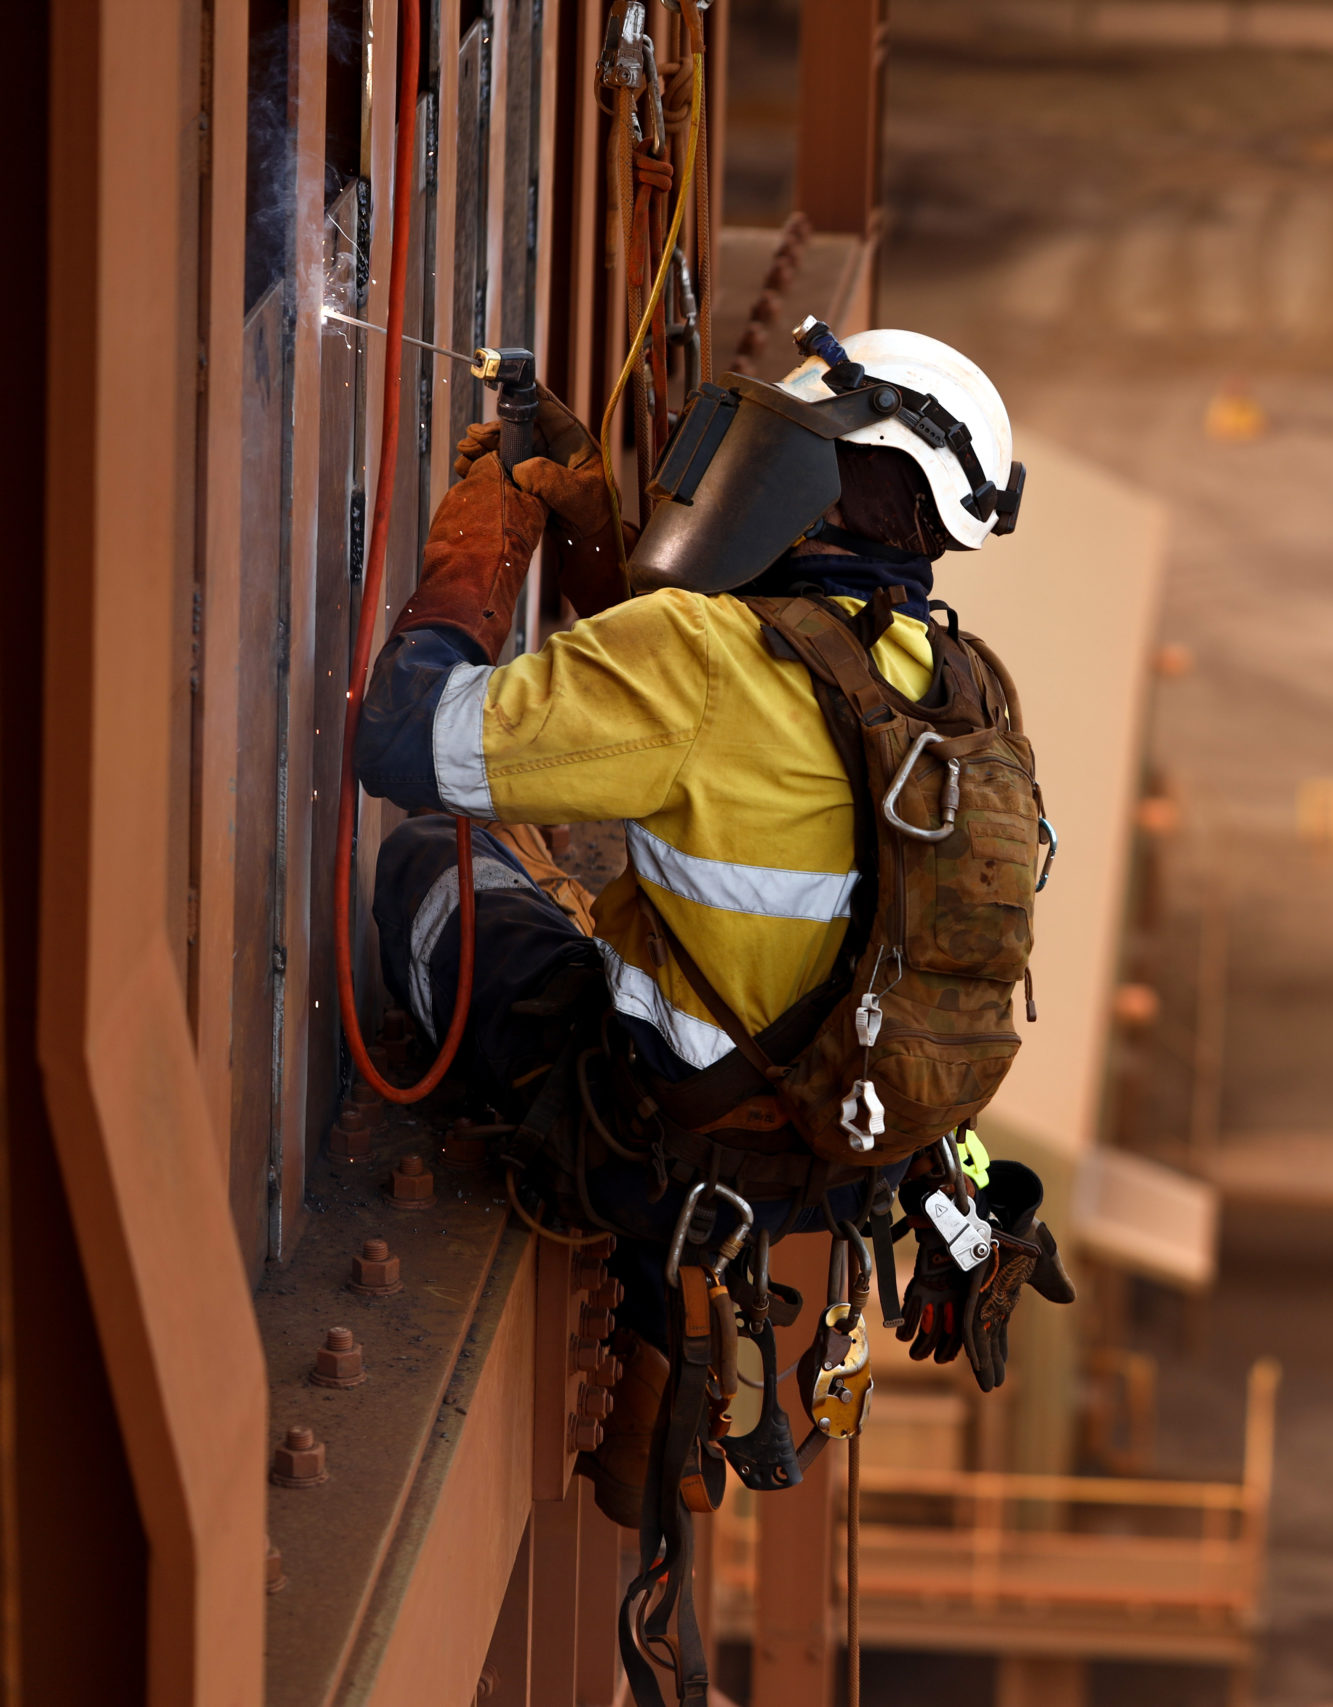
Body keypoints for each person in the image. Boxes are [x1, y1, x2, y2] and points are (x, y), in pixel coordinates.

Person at [353, 326, 1071, 1553]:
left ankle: (641, 1288)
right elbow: (720, 722)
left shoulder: (697, 659)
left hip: (656, 1145)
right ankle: (663, 1332)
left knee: (434, 856)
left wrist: (479, 552)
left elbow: (405, 738)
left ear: (841, 482)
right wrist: (597, 534)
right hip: (839, 1164)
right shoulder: (961, 690)